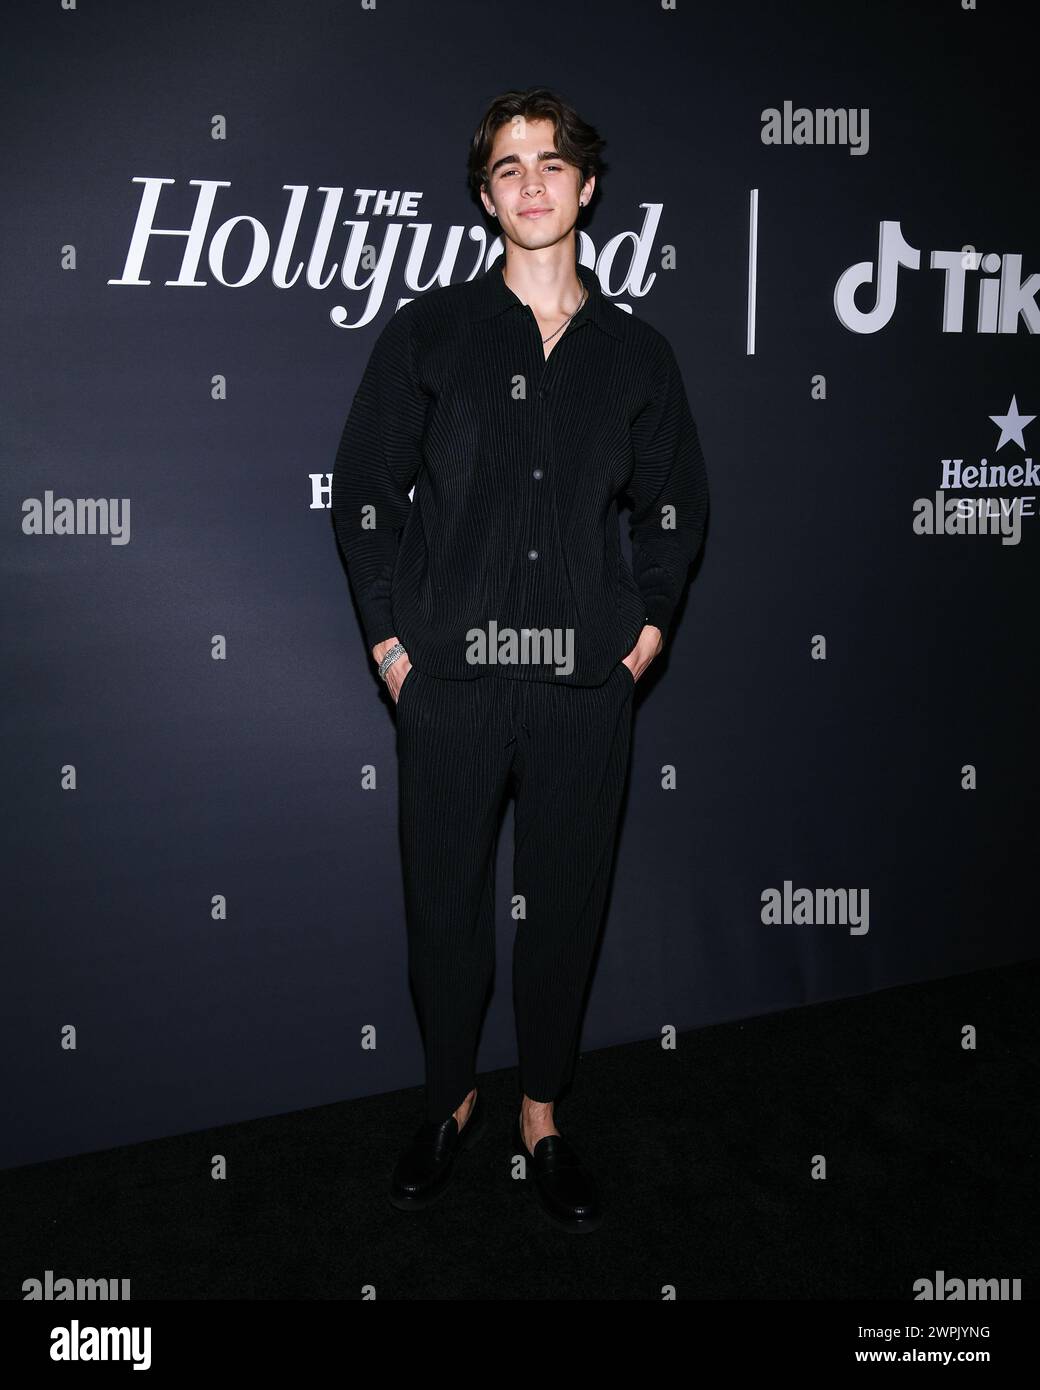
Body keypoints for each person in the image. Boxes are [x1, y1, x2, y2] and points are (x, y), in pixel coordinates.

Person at [331, 86, 709, 1233]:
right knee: (442, 911)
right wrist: (393, 648)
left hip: (583, 691)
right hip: (445, 685)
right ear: (486, 194)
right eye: (508, 167)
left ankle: (542, 1113)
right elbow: (361, 495)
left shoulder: (637, 354)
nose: (532, 183)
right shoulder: (430, 333)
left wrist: (640, 637)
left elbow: (675, 509)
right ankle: (450, 1098)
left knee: (566, 914)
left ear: (586, 188)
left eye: (552, 164)